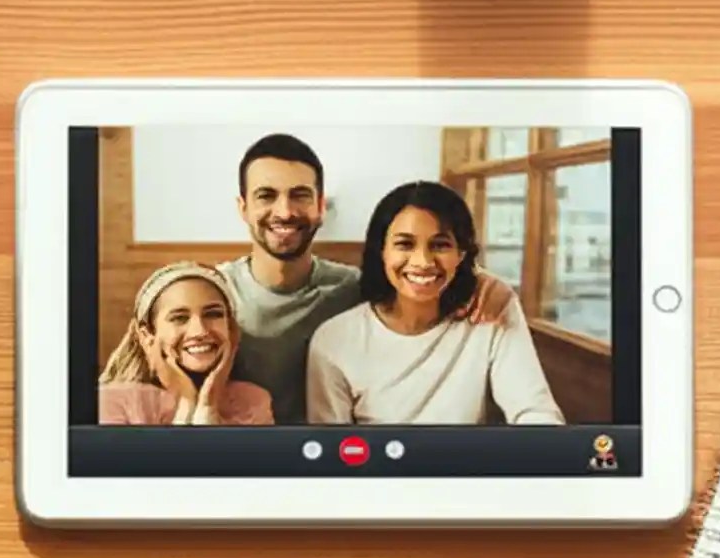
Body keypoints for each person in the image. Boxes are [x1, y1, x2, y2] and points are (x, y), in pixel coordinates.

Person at [214, 133, 517, 424]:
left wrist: (486, 283)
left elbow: (420, 276)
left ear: (320, 207)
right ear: (243, 208)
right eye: (266, 196)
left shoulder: (353, 288)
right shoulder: (215, 293)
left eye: (300, 196)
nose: (285, 211)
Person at [304, 181, 565, 425]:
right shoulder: (333, 340)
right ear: (381, 251)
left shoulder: (491, 313)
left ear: (461, 254)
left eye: (440, 245)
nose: (423, 262)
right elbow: (332, 448)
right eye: (405, 244)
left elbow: (534, 410)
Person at [98, 261, 273, 425]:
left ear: (231, 328)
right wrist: (185, 405)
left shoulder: (253, 401)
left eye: (213, 314)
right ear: (147, 335)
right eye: (179, 318)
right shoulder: (112, 402)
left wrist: (208, 409)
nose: (200, 331)